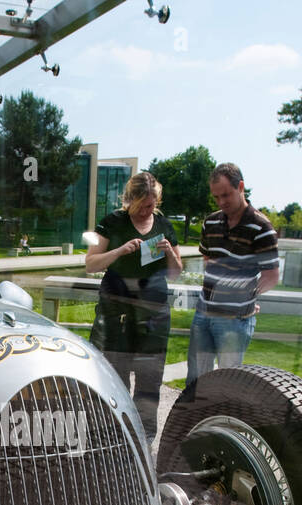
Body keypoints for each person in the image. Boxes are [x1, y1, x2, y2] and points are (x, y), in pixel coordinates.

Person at [85, 171, 183, 442]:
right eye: (141, 206)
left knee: (150, 376)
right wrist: (119, 251)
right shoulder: (111, 222)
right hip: (117, 310)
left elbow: (176, 272)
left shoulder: (164, 224)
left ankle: (144, 437)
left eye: (151, 205)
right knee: (115, 373)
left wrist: (170, 254)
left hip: (154, 313)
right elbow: (90, 264)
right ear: (130, 200)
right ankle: (112, 436)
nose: (146, 211)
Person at [187, 163, 280, 385]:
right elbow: (208, 258)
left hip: (234, 319)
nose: (221, 202)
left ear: (241, 187)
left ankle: (221, 420)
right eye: (216, 197)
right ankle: (192, 419)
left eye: (226, 195)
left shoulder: (261, 227)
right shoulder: (210, 221)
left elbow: (271, 276)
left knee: (228, 382)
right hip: (203, 312)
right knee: (196, 379)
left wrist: (248, 295)